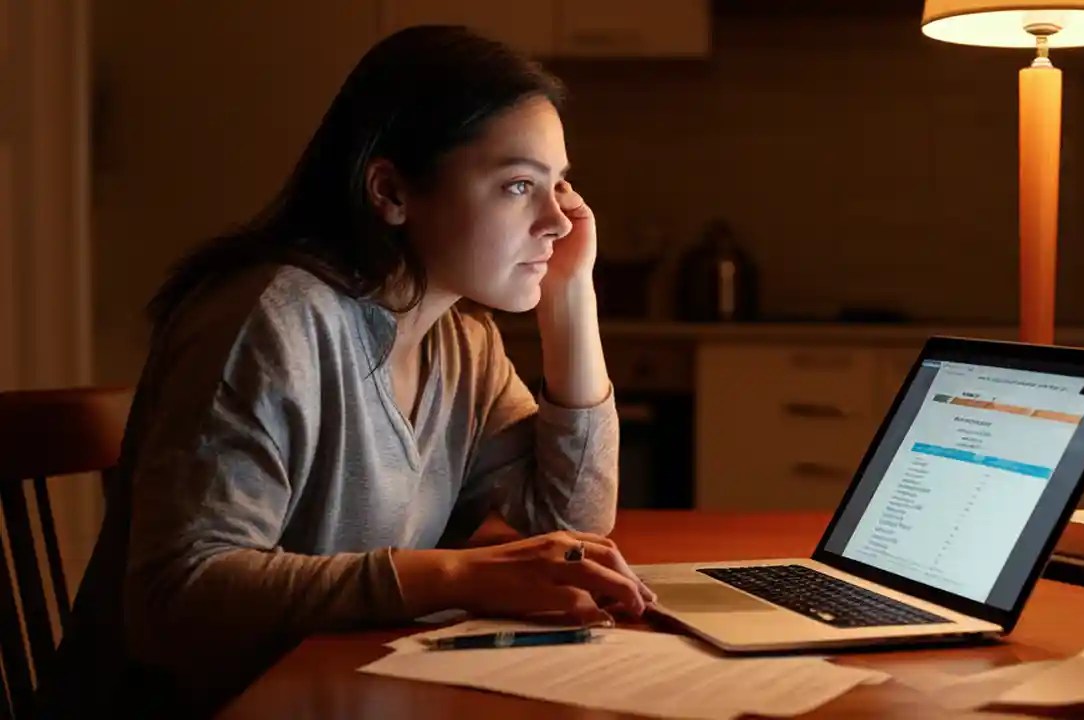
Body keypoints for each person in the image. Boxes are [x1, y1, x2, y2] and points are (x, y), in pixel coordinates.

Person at [42, 25, 653, 718]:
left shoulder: (461, 342)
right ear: (391, 191)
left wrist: (572, 301)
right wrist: (452, 573)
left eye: (560, 185)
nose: (559, 221)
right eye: (518, 185)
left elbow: (572, 518)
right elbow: (176, 598)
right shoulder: (273, 320)